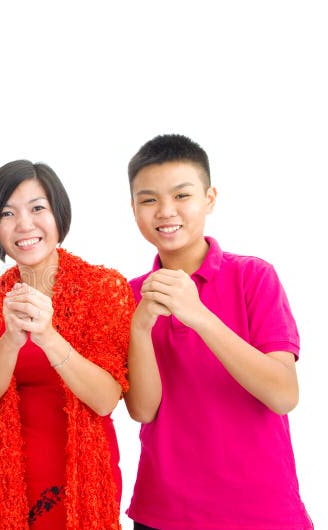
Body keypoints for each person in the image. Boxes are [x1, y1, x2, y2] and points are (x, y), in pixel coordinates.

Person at [123, 134, 312, 529]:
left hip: (261, 511)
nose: (165, 211)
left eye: (181, 195)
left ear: (209, 198)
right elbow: (142, 410)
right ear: (133, 209)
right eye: (149, 200)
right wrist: (139, 329)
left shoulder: (254, 277)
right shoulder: (129, 295)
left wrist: (199, 315)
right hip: (163, 512)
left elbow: (282, 394)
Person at [0, 160, 133, 530]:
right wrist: (10, 339)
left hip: (83, 476)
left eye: (38, 208)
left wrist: (48, 336)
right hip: (5, 476)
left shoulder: (105, 289)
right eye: (8, 213)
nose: (24, 225)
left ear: (59, 214)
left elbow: (105, 399)